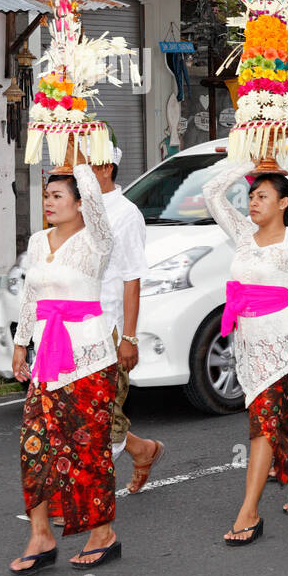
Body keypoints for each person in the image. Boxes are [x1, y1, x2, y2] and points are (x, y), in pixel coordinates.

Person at [202, 165, 288, 546]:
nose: (253, 202)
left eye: (262, 196)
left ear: (283, 203)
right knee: (273, 420)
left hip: (280, 345)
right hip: (245, 343)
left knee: (262, 423)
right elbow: (212, 193)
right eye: (251, 196)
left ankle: (249, 511)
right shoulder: (244, 234)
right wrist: (246, 163)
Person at [11, 163, 121, 575]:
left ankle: (103, 533)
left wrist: (77, 154)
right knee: (33, 447)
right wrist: (22, 342)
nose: (49, 202)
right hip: (47, 360)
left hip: (89, 358)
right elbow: (30, 295)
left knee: (87, 449)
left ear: (79, 203)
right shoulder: (39, 241)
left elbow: (95, 197)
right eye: (47, 195)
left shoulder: (97, 239)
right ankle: (41, 535)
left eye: (58, 196)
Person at [91, 147, 165, 494]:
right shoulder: (79, 207)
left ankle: (91, 493)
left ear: (106, 167)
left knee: (107, 408)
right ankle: (143, 449)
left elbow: (132, 278)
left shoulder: (126, 214)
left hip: (109, 323)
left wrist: (129, 338)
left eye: (86, 166)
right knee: (91, 408)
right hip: (76, 325)